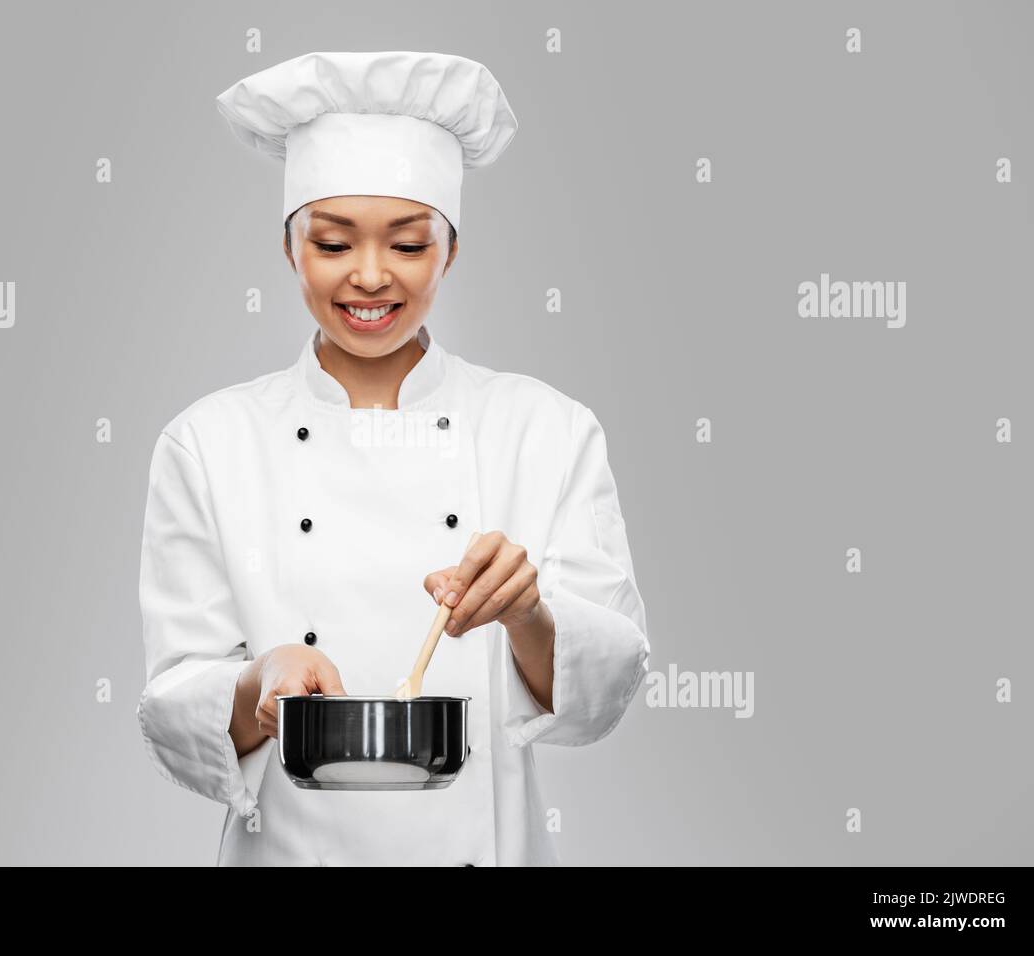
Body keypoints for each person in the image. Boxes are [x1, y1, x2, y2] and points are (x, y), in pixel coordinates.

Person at [136, 50, 650, 866]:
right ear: (289, 247)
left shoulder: (545, 429)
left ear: (451, 250)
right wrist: (259, 683)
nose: (370, 277)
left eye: (408, 245)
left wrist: (528, 614)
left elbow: (606, 692)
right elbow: (171, 706)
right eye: (333, 242)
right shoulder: (208, 442)